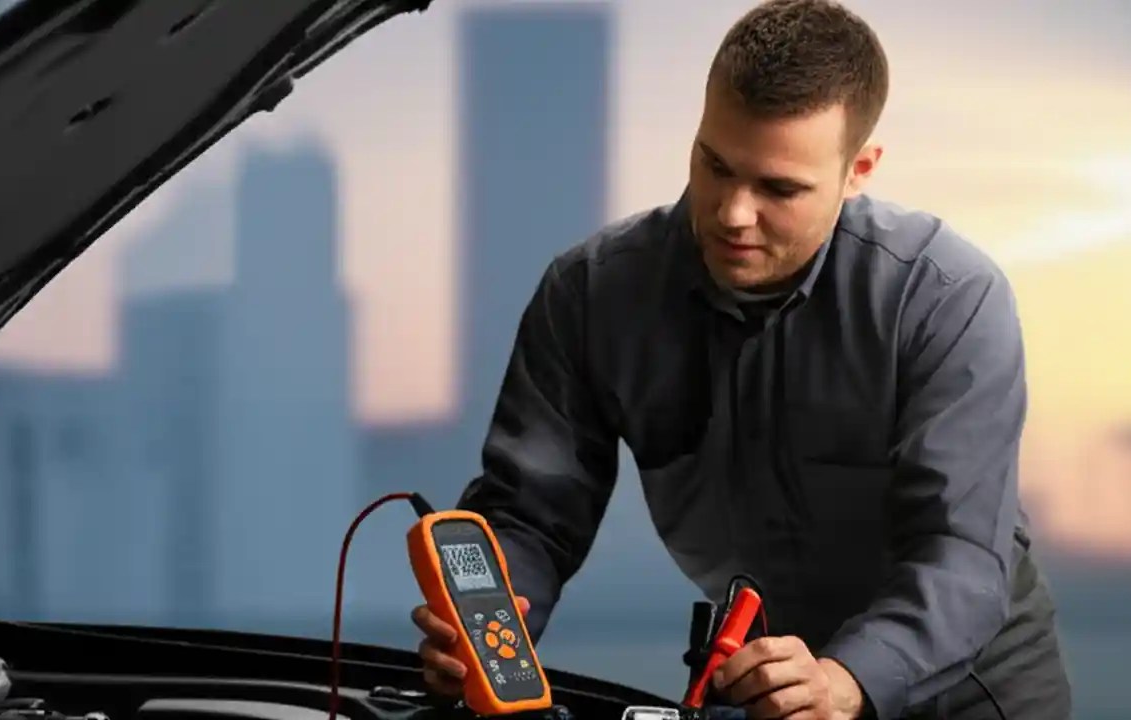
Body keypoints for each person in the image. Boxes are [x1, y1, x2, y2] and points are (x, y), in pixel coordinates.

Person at [411, 0, 1073, 717]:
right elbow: (532, 516)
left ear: (860, 169)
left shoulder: (948, 297)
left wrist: (846, 681)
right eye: (714, 165)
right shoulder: (589, 294)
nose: (731, 212)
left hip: (971, 690)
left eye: (779, 189)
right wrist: (489, 622)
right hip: (766, 681)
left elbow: (961, 555)